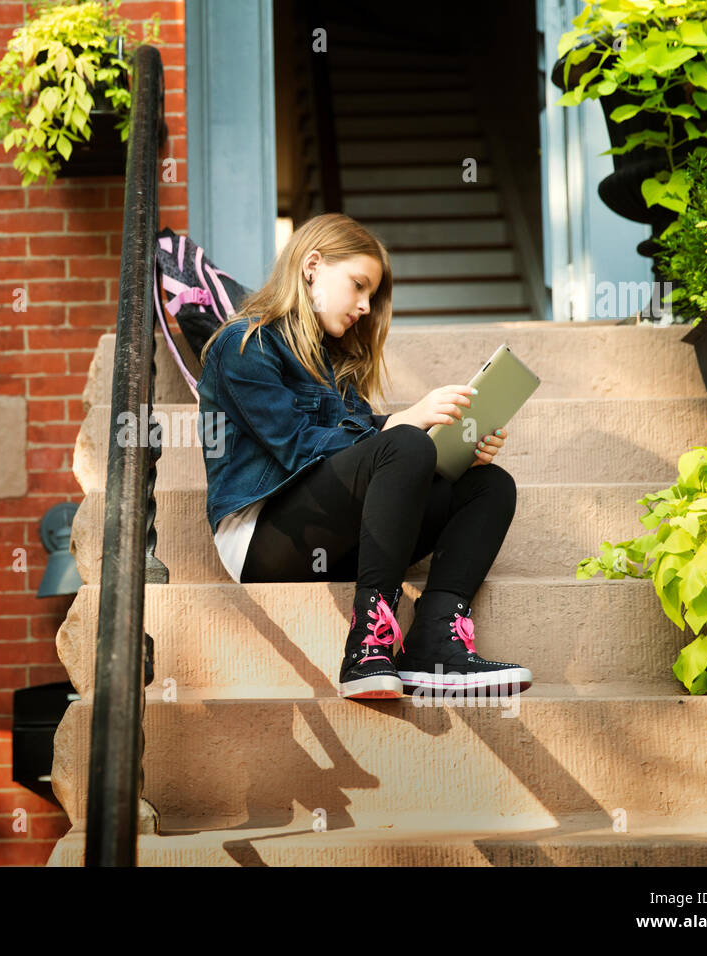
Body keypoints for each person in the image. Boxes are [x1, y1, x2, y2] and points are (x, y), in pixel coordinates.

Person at [195, 213, 532, 700]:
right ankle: (367, 648)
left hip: (336, 535)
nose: (364, 305)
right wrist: (404, 425)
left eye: (370, 295)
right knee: (406, 442)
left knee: (488, 485)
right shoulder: (244, 345)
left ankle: (436, 642)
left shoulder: (335, 363)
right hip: (264, 537)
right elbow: (297, 446)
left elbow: (370, 447)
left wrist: (455, 449)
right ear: (312, 265)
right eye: (358, 285)